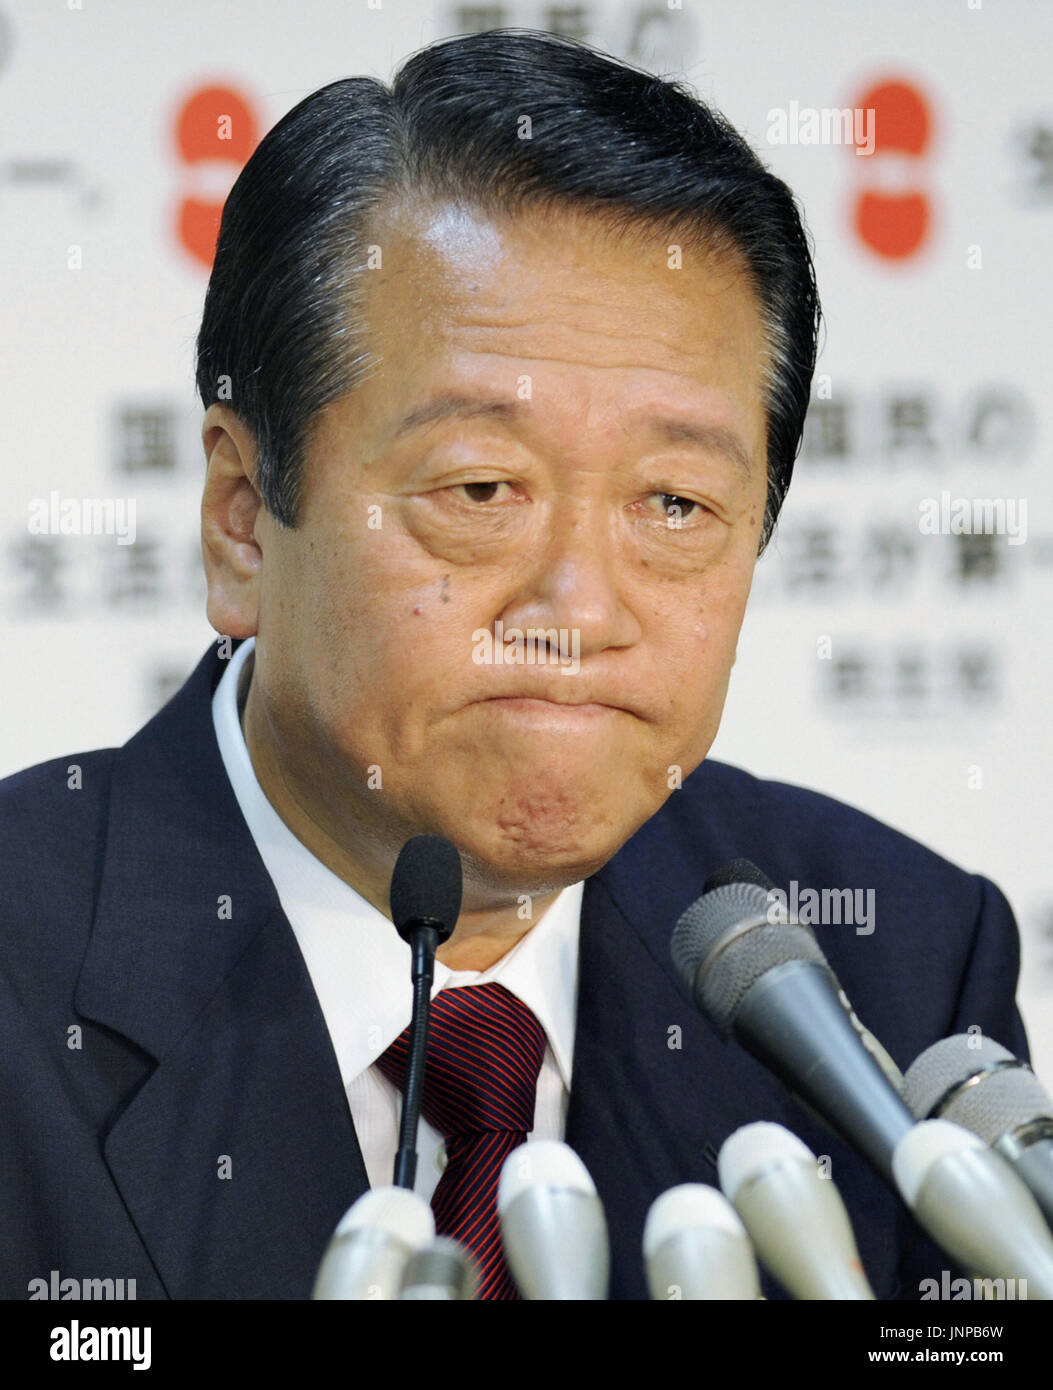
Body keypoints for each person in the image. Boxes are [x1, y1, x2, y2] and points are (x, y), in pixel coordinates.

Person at [0, 29, 1028, 1301]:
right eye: (482, 487)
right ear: (242, 518)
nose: (578, 608)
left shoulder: (891, 958)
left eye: (674, 505)